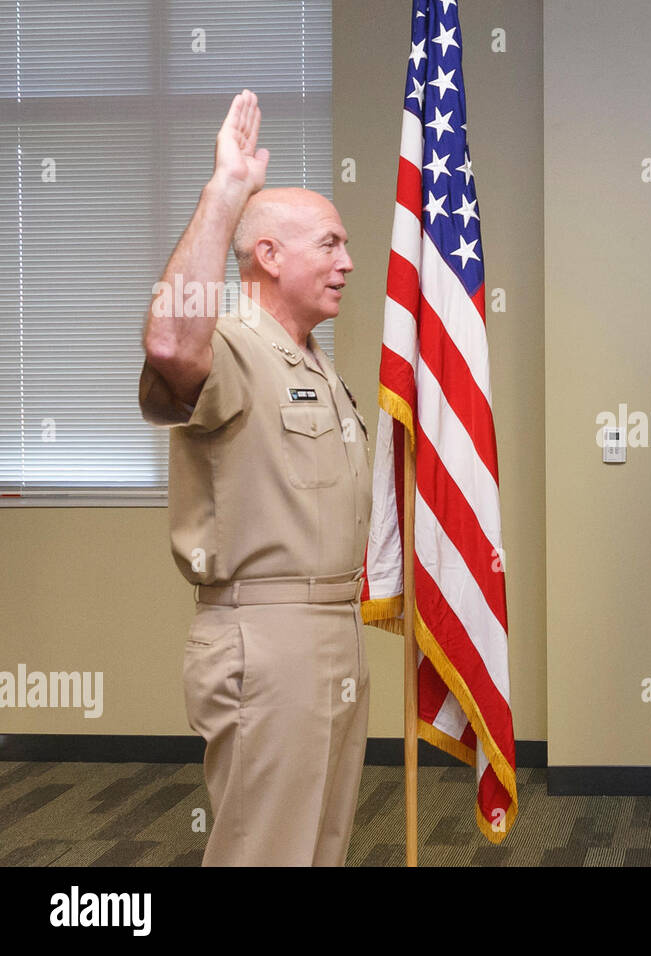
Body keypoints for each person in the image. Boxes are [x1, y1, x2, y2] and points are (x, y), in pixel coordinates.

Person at [138, 89, 372, 866]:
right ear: (268, 256)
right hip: (267, 642)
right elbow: (171, 343)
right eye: (330, 245)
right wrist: (225, 192)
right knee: (267, 854)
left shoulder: (311, 364)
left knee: (317, 851)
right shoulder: (233, 344)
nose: (348, 262)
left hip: (332, 635)